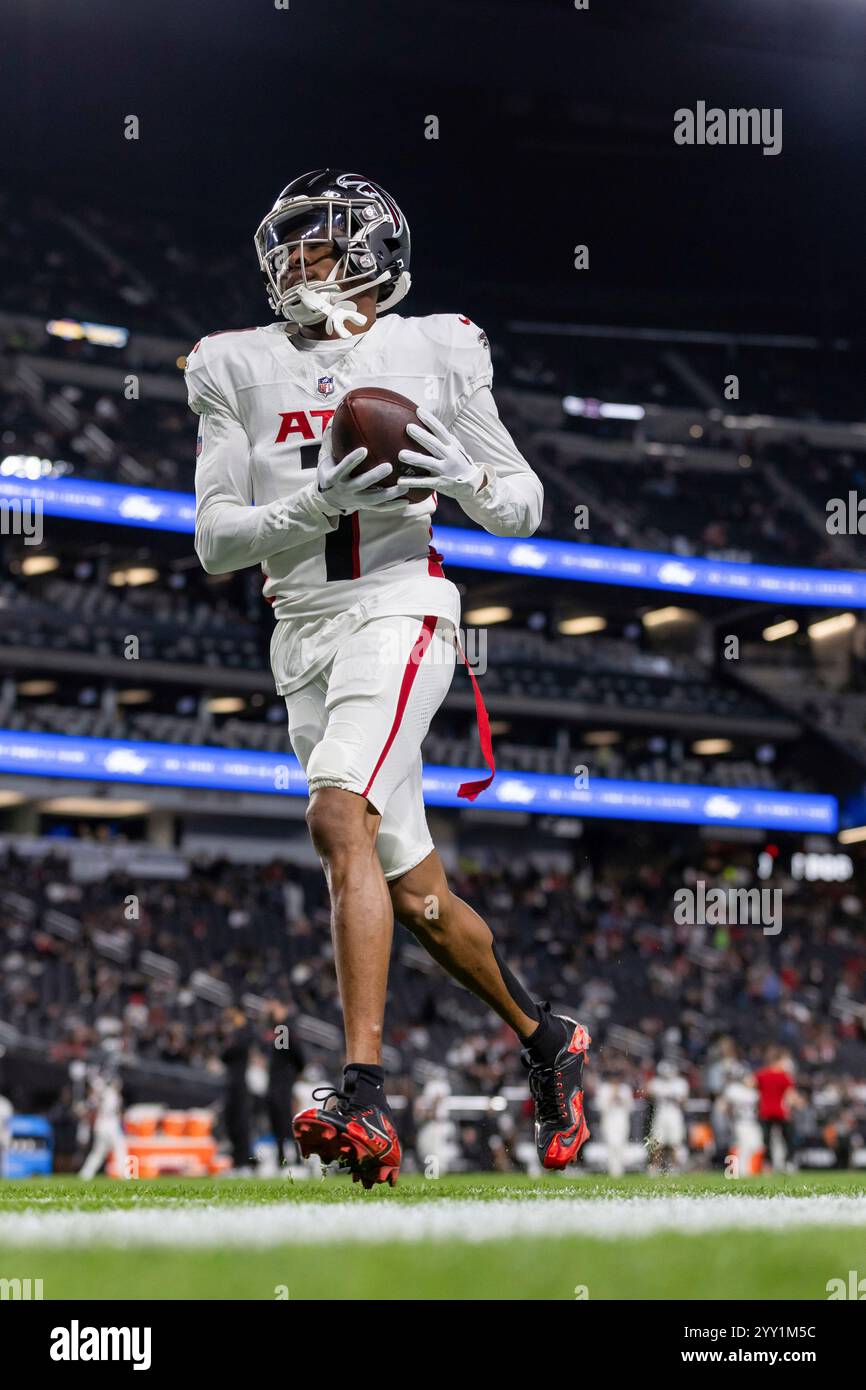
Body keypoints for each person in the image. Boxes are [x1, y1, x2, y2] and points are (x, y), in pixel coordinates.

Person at [188, 169, 590, 1188]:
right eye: (285, 244)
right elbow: (213, 540)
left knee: (336, 819)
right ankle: (546, 1039)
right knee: (416, 899)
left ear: (369, 247)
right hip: (301, 633)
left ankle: (360, 1092)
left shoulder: (438, 346)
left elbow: (521, 505)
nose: (291, 261)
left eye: (313, 242)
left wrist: (456, 474)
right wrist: (312, 505)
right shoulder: (233, 364)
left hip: (399, 607)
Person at [266, 1002, 305, 1170]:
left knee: (283, 1120)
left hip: (281, 1082)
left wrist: (292, 1072)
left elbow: (295, 1054)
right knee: (278, 1120)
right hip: (278, 1081)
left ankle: (292, 1159)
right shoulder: (278, 1029)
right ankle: (286, 1158)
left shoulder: (282, 1029)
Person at [79, 1067, 128, 1180]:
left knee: (98, 1152)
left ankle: (85, 1174)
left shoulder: (103, 1092)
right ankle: (124, 1174)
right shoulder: (110, 1094)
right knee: (120, 1147)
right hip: (109, 1123)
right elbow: (114, 1110)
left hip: (102, 1124)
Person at [754, 1046, 799, 1171]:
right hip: (781, 1112)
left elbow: (751, 1085)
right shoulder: (784, 1076)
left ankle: (767, 1165)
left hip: (765, 1112)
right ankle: (788, 1163)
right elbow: (791, 1096)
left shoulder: (761, 1075)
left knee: (766, 1141)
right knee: (787, 1139)